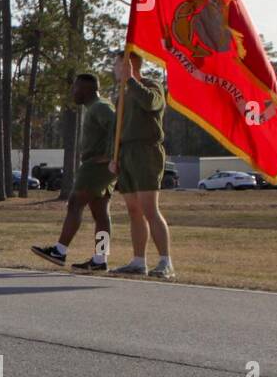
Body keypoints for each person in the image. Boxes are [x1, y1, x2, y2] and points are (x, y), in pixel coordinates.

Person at [31, 73, 116, 272]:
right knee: (101, 213)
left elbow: (116, 127)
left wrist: (110, 156)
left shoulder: (100, 107)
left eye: (75, 88)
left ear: (86, 89)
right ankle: (100, 258)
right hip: (103, 167)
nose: (73, 92)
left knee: (75, 204)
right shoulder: (97, 107)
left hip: (96, 166)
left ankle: (59, 251)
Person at [109, 51, 174, 279]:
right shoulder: (122, 95)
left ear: (129, 66)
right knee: (133, 210)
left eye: (118, 65)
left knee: (149, 208)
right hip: (126, 153)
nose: (115, 69)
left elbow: (151, 104)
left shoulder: (150, 86)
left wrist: (133, 81)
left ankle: (165, 262)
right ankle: (138, 261)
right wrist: (114, 157)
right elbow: (117, 129)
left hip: (147, 151)